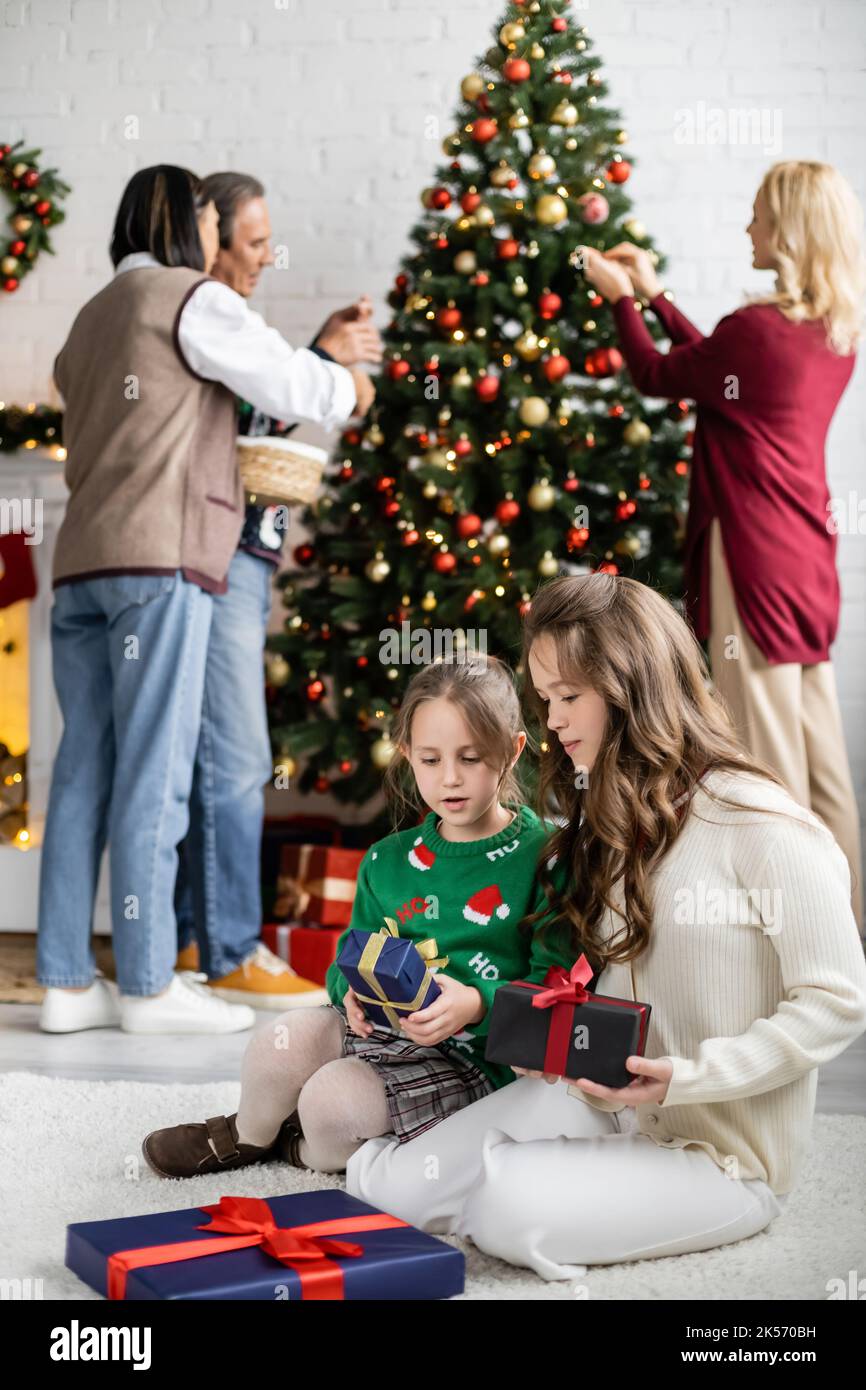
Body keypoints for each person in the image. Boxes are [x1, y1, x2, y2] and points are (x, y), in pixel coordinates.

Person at [345, 575, 866, 1280]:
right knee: (387, 1189)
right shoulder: (612, 823)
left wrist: (688, 1077)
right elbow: (598, 975)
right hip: (602, 1104)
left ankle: (539, 1180)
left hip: (720, 1159)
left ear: (631, 685)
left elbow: (837, 1003)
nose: (555, 720)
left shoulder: (765, 827)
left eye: (568, 697)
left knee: (509, 1210)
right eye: (546, 699)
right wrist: (550, 1040)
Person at [38, 165, 373, 1035]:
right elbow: (291, 387)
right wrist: (345, 385)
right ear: (187, 223)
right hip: (162, 565)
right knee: (155, 773)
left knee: (82, 772)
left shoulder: (89, 319)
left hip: (80, 568)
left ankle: (67, 984)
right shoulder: (191, 299)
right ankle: (149, 986)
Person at [141, 656, 572, 1177]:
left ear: (513, 750)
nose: (450, 779)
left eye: (472, 758)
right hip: (384, 1029)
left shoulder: (545, 856)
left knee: (330, 1103)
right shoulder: (387, 861)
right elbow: (351, 955)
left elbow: (555, 983)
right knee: (279, 1044)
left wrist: (478, 1003)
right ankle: (248, 1136)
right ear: (408, 754)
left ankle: (300, 1150)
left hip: (474, 1059)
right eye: (431, 761)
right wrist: (350, 993)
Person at [579, 160, 864, 930]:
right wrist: (656, 296)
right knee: (821, 756)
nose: (748, 229)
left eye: (760, 218)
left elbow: (657, 374)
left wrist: (622, 302)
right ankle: (847, 928)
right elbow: (718, 373)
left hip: (752, 555)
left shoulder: (756, 332)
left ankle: (794, 933)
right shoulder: (830, 334)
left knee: (765, 764)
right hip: (805, 558)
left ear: (790, 231)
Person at [171, 171, 382, 1009]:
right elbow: (261, 418)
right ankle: (227, 947)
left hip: (232, 559)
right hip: (225, 559)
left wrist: (320, 353)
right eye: (253, 241)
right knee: (235, 754)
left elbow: (257, 415)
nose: (264, 257)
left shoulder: (217, 325)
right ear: (211, 236)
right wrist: (329, 363)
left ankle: (194, 933)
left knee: (204, 754)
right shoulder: (206, 315)